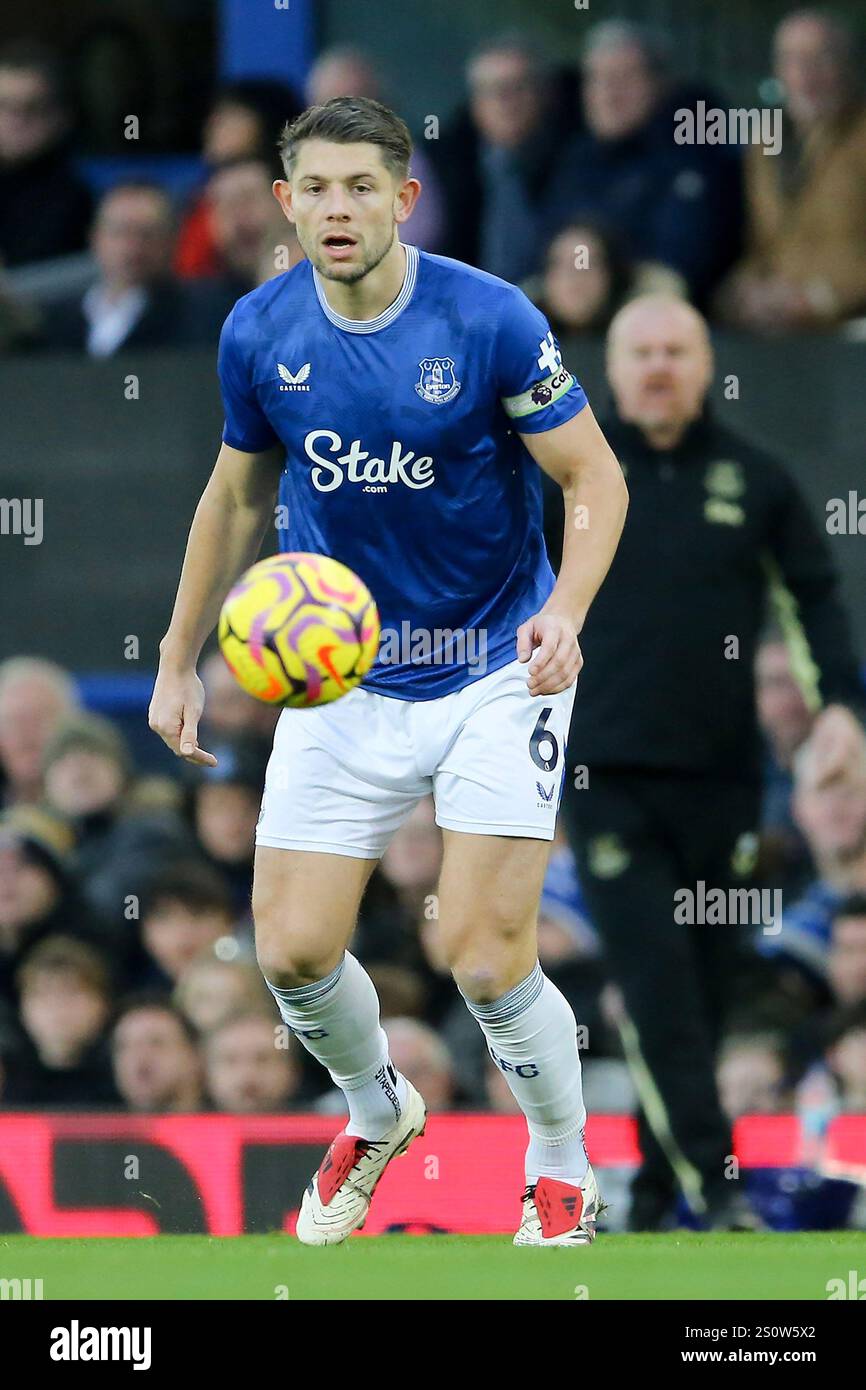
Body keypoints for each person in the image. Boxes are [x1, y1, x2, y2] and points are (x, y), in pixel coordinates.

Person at [149, 95, 628, 1247]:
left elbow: (593, 481)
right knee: (294, 951)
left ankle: (558, 1162)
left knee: (477, 948)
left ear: (403, 199)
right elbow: (235, 497)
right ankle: (378, 1111)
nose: (337, 207)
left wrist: (564, 611)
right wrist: (176, 655)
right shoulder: (258, 332)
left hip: (494, 660)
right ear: (284, 202)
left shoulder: (490, 319)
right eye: (313, 186)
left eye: (361, 186)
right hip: (341, 677)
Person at [552, 294, 864, 1232]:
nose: (657, 367)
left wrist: (843, 706)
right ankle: (717, 1183)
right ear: (610, 368)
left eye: (675, 351)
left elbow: (814, 597)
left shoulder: (755, 480)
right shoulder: (567, 476)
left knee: (698, 987)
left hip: (723, 782)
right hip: (604, 777)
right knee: (653, 982)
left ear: (703, 363)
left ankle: (651, 1200)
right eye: (639, 351)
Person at [543, 22, 742, 302]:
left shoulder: (693, 155)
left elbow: (685, 259)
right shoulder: (575, 160)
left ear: (658, 84)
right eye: (597, 79)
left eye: (625, 78)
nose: (609, 93)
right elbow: (546, 248)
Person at [718, 10, 866, 332]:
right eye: (792, 59)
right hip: (782, 333)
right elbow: (761, 245)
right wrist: (743, 293)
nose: (805, 73)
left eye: (820, 57)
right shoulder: (765, 145)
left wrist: (819, 299)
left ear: (847, 65)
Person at [42, 183, 228, 355]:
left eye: (146, 234)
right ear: (95, 238)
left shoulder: (200, 316)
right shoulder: (54, 320)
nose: (132, 247)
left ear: (172, 242)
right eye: (120, 232)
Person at [0, 41, 92, 267]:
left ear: (60, 117)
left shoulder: (72, 198)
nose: (16, 121)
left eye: (31, 108)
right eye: (4, 106)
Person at [111, 996, 203, 1113]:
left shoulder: (228, 1128)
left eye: (156, 1043)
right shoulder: (92, 1128)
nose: (139, 1057)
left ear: (194, 1057)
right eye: (124, 1047)